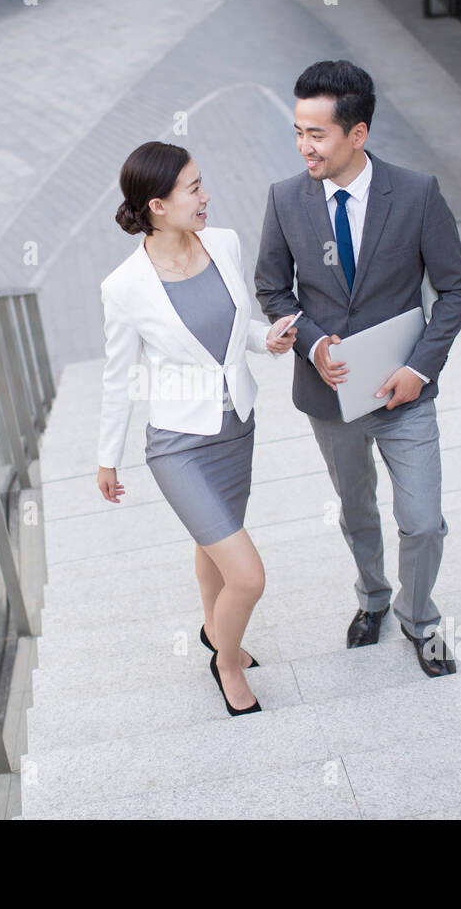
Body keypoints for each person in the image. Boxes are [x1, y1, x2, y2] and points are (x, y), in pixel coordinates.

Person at [254, 60, 461, 676]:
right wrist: (316, 344)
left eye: (317, 134)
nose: (305, 146)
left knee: (423, 522)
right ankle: (373, 598)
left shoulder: (417, 193)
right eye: (299, 131)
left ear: (358, 134)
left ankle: (419, 618)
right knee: (357, 511)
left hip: (405, 392)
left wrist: (421, 369)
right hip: (332, 397)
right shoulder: (284, 199)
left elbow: (456, 288)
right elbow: (273, 290)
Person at [96, 141, 298, 715]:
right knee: (249, 576)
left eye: (202, 183)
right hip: (178, 446)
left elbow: (235, 327)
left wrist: (268, 339)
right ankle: (226, 660)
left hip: (235, 425)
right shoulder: (125, 286)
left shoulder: (224, 243)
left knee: (214, 547)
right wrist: (107, 459)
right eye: (193, 189)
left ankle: (215, 629)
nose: (206, 196)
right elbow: (118, 377)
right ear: (157, 205)